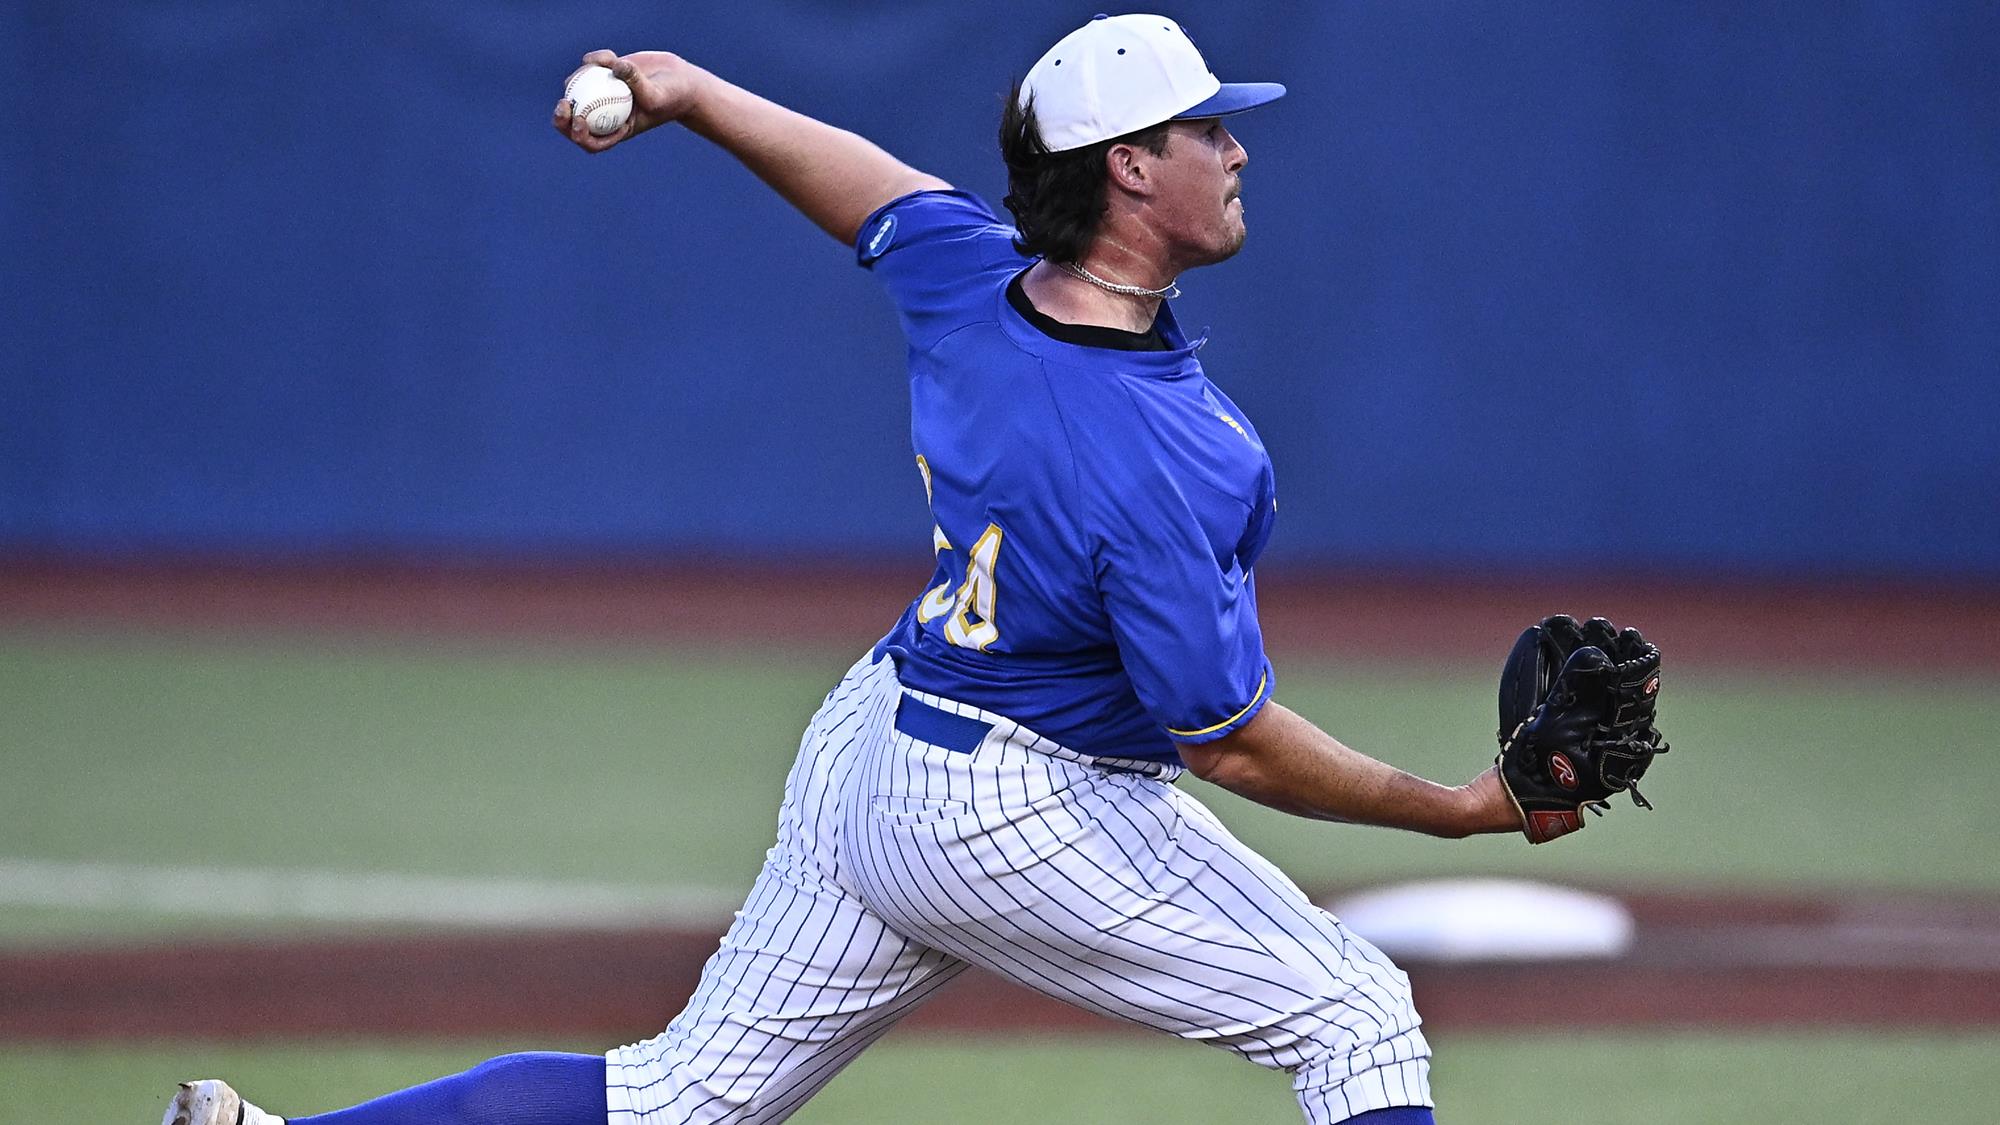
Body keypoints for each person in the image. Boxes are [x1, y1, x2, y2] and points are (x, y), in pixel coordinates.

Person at [164, 14, 1522, 1125]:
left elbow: (863, 185)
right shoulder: (1173, 451)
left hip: (876, 749)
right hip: (1019, 811)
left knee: (672, 1098)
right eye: (1207, 127)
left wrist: (692, 95)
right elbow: (1224, 741)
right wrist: (1459, 804)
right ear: (1127, 166)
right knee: (1354, 1016)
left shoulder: (969, 276)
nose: (1236, 149)